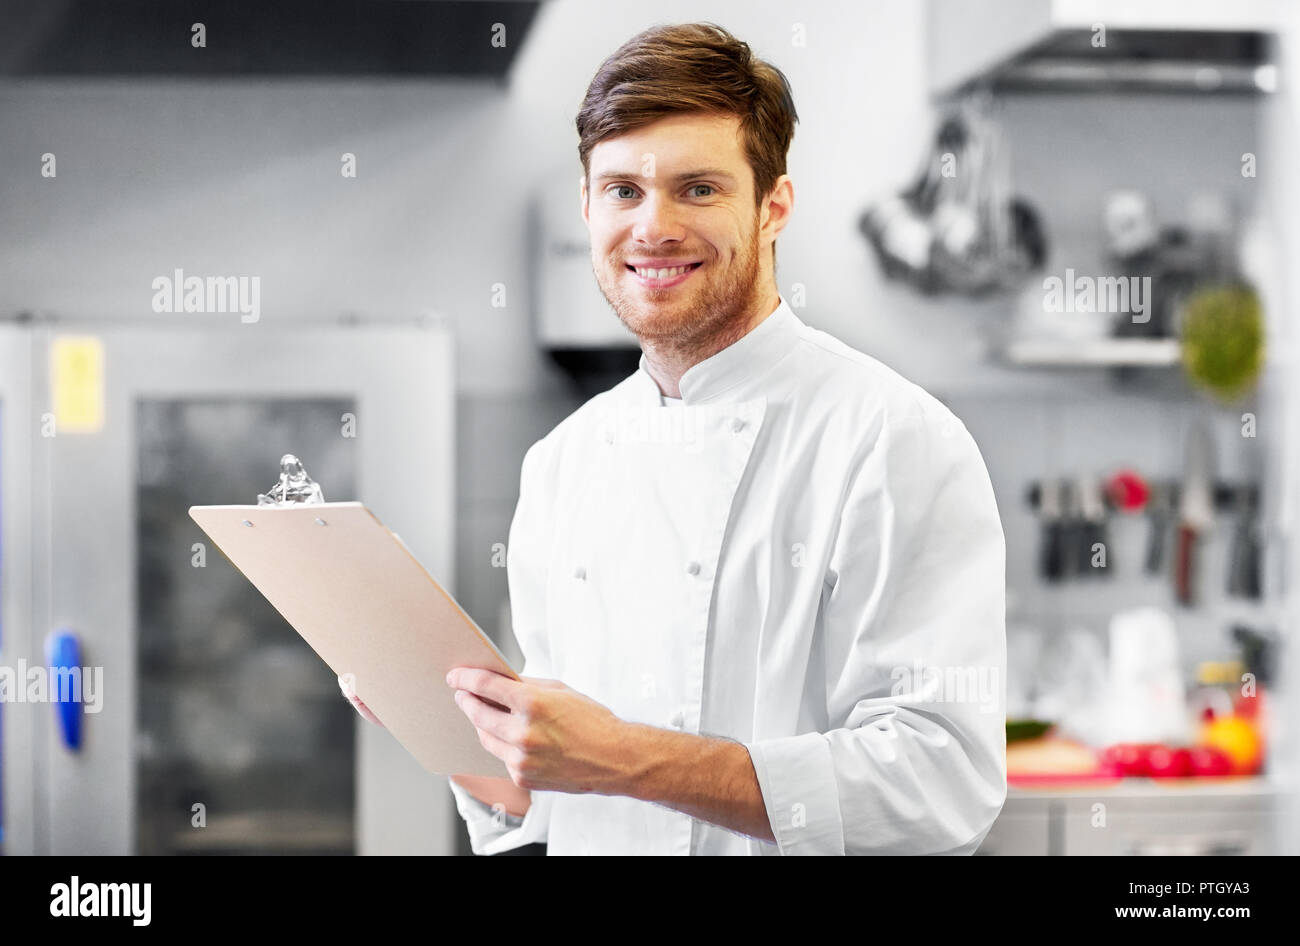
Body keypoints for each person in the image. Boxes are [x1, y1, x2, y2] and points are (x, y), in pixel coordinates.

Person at [342, 21, 1007, 855]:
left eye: (697, 188)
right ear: (587, 207)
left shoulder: (890, 439)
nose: (652, 228)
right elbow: (551, 803)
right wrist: (453, 733)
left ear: (773, 208)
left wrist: (622, 757)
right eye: (623, 190)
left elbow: (941, 782)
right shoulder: (562, 465)